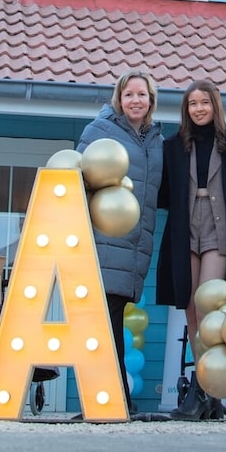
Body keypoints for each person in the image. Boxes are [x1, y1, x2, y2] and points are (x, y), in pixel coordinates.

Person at [157, 79, 226, 420]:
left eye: (205, 102)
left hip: (219, 229)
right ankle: (208, 393)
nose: (199, 109)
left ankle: (202, 390)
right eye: (192, 103)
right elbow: (163, 194)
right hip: (185, 230)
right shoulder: (172, 146)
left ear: (216, 106)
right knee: (191, 312)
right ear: (186, 109)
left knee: (211, 308)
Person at [77, 69, 163, 414]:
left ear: (151, 100)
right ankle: (108, 401)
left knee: (112, 322)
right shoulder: (99, 131)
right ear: (119, 98)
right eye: (129, 94)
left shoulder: (155, 138)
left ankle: (112, 401)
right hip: (104, 244)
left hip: (135, 246)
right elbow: (78, 184)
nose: (135, 101)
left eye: (142, 95)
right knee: (105, 323)